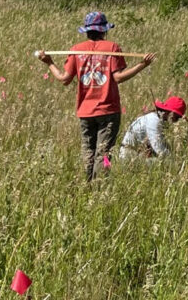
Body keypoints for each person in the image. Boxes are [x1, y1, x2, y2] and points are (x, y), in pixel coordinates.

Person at [35, 11, 153, 180]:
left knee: (88, 152)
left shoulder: (76, 50)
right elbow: (118, 78)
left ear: (87, 31)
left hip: (85, 111)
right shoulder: (112, 48)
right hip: (108, 110)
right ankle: (101, 183)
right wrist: (142, 65)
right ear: (104, 30)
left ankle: (87, 183)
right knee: (105, 153)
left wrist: (49, 63)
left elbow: (64, 79)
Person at [120, 96, 186, 160]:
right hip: (129, 156)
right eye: (177, 117)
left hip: (137, 155)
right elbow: (159, 148)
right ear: (169, 112)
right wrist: (175, 161)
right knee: (166, 162)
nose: (176, 121)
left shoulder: (158, 119)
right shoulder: (154, 121)